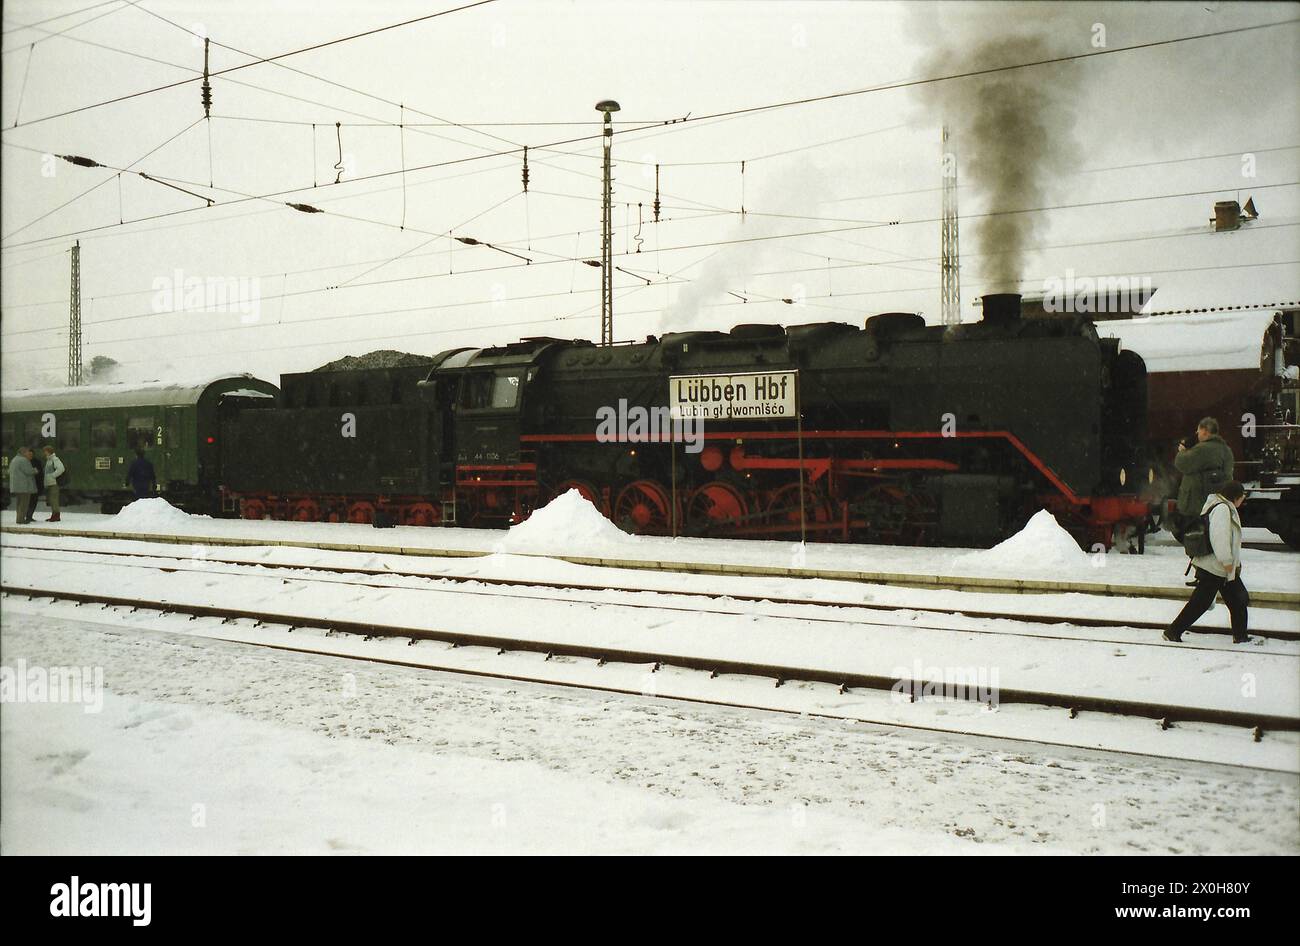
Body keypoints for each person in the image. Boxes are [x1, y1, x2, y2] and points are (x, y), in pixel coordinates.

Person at [1164, 480, 1250, 644]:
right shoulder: (1222, 509)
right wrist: (1227, 561)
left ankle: (1241, 636)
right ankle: (1173, 631)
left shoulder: (1223, 506)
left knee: (1238, 599)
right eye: (1242, 497)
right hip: (1216, 566)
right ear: (1236, 497)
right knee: (1201, 603)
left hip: (1221, 567)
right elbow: (1220, 538)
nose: (1242, 501)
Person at [1172, 416, 1234, 540]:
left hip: (1196, 500)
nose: (1197, 434)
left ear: (1205, 431)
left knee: (1193, 533)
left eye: (1198, 431)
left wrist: (1182, 451)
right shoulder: (1226, 450)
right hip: (1217, 498)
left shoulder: (1202, 449)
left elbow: (1182, 464)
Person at [8, 446, 37, 524]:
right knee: (24, 504)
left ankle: (19, 518)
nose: (28, 453)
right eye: (27, 452)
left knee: (19, 504)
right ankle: (21, 520)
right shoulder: (23, 460)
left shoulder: (14, 459)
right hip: (24, 486)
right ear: (23, 452)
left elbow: (9, 471)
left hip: (17, 486)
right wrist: (35, 470)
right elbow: (29, 471)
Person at [41, 445, 66, 523]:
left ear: (49, 451)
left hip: (53, 483)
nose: (44, 453)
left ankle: (56, 516)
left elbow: (61, 468)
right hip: (50, 483)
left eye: (45, 451)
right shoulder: (49, 460)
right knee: (52, 500)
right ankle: (54, 515)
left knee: (54, 499)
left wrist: (52, 476)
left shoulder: (55, 459)